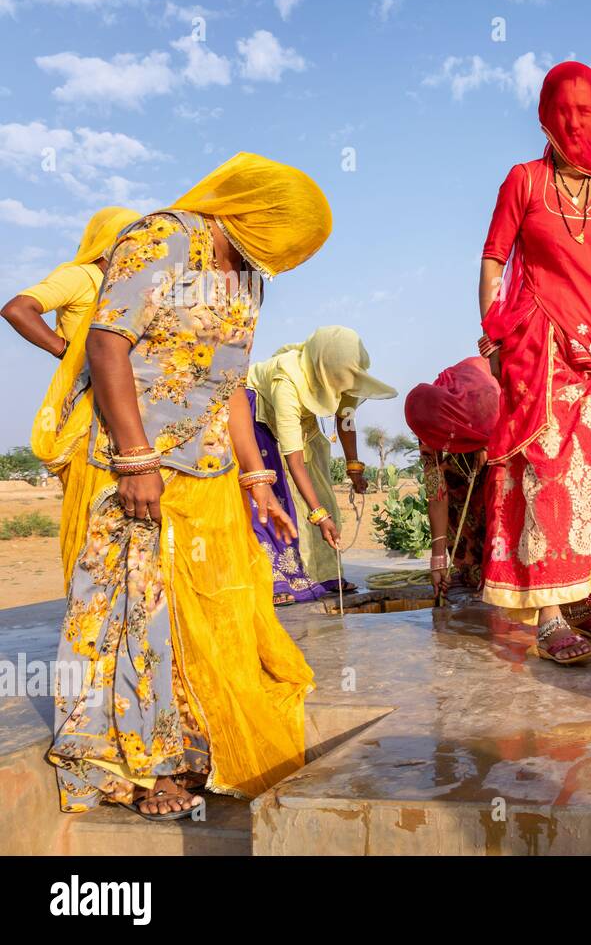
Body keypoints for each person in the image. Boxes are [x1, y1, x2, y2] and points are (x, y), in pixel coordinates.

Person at [45, 152, 330, 819]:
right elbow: (107, 346)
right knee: (132, 614)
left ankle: (194, 752)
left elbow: (229, 383)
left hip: (206, 474)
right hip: (131, 463)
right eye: (290, 235)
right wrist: (137, 459)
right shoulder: (164, 238)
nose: (288, 254)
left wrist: (257, 478)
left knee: (210, 614)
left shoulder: (252, 279)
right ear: (259, 211)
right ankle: (133, 765)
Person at [477, 61, 591, 665]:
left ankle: (588, 600)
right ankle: (548, 615)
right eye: (566, 111)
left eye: (589, 112)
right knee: (545, 473)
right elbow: (495, 258)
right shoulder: (523, 181)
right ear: (547, 117)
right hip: (539, 348)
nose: (578, 123)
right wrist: (493, 337)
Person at [8, 207, 142, 587]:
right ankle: (90, 608)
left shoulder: (127, 286)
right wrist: (67, 350)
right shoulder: (82, 275)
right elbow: (19, 309)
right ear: (110, 241)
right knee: (95, 514)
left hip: (122, 408)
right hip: (89, 414)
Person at [245, 326, 396, 602]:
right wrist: (318, 515)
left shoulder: (345, 373)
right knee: (279, 498)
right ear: (324, 372)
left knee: (323, 496)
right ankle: (279, 581)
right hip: (259, 416)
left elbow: (345, 418)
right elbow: (295, 460)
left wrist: (354, 468)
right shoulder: (286, 381)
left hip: (304, 419)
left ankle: (325, 575)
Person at [404, 357, 501, 600]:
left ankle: (501, 570)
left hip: (498, 429)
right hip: (469, 436)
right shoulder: (428, 420)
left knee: (498, 488)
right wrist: (438, 561)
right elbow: (437, 494)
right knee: (454, 479)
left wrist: (484, 442)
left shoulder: (484, 397)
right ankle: (469, 567)